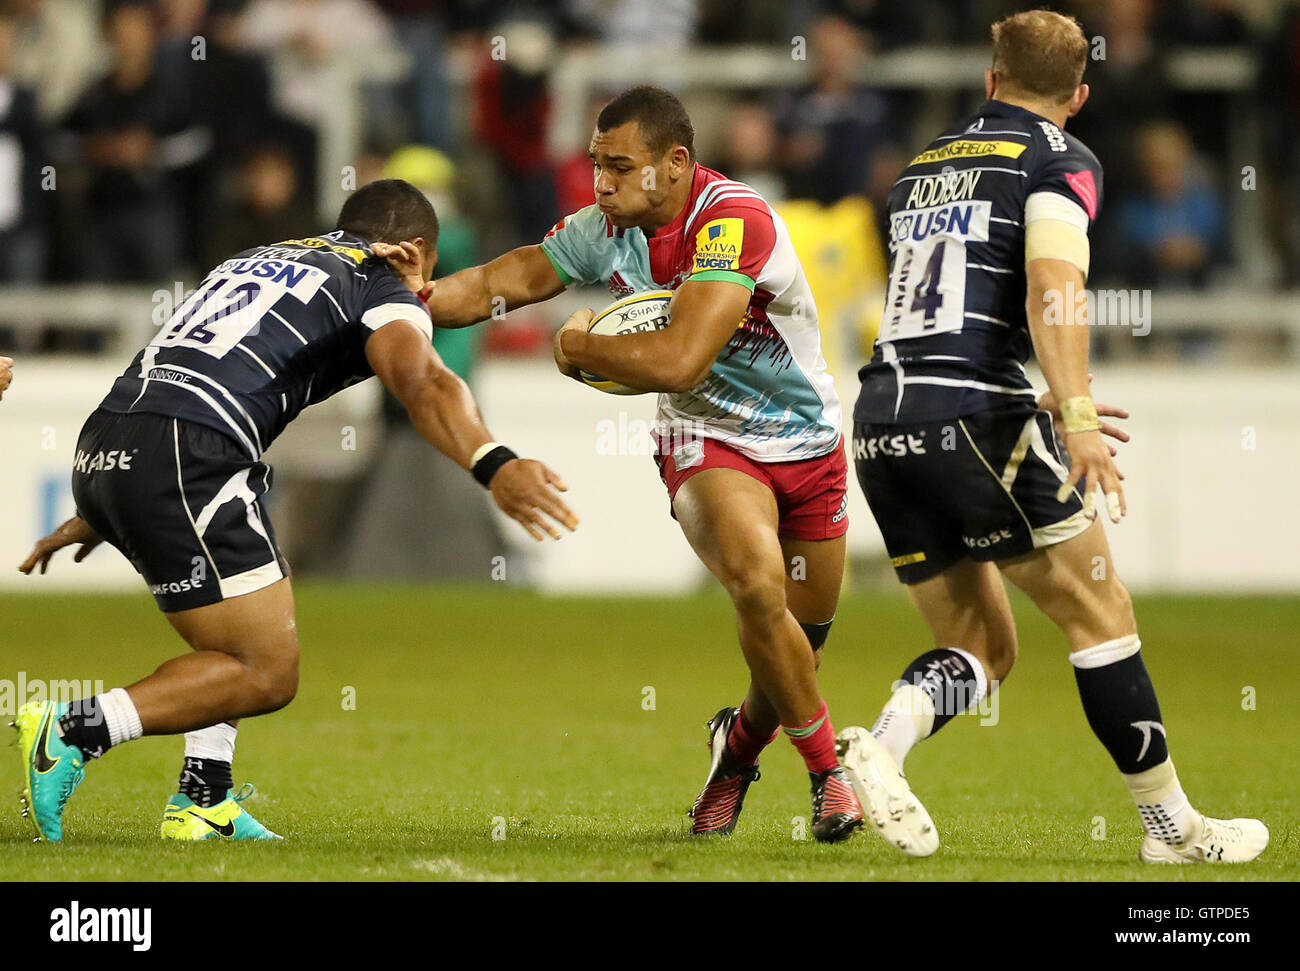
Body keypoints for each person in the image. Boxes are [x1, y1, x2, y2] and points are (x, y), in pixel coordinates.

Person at [13, 179, 578, 843]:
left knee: (242, 629)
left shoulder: (256, 258)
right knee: (265, 669)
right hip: (190, 450)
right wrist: (494, 460)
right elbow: (422, 381)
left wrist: (109, 497)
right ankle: (75, 728)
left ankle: (204, 798)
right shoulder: (383, 281)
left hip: (116, 436)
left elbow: (196, 362)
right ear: (415, 249)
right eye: (429, 273)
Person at [836, 9, 1268, 865]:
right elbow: (1052, 287)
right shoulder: (1059, 158)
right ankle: (1172, 831)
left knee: (981, 648)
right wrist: (1074, 415)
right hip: (975, 415)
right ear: (1080, 93)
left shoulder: (918, 168)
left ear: (989, 80)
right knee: (1101, 612)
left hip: (883, 416)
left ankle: (880, 748)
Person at [410, 85, 865, 843]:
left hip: (808, 441)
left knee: (797, 646)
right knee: (757, 587)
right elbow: (503, 281)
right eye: (596, 165)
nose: (602, 184)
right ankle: (829, 777)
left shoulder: (731, 221)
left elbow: (683, 356)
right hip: (704, 440)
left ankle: (733, 757)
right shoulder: (605, 228)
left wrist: (579, 349)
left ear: (676, 164)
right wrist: (404, 303)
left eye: (620, 167)